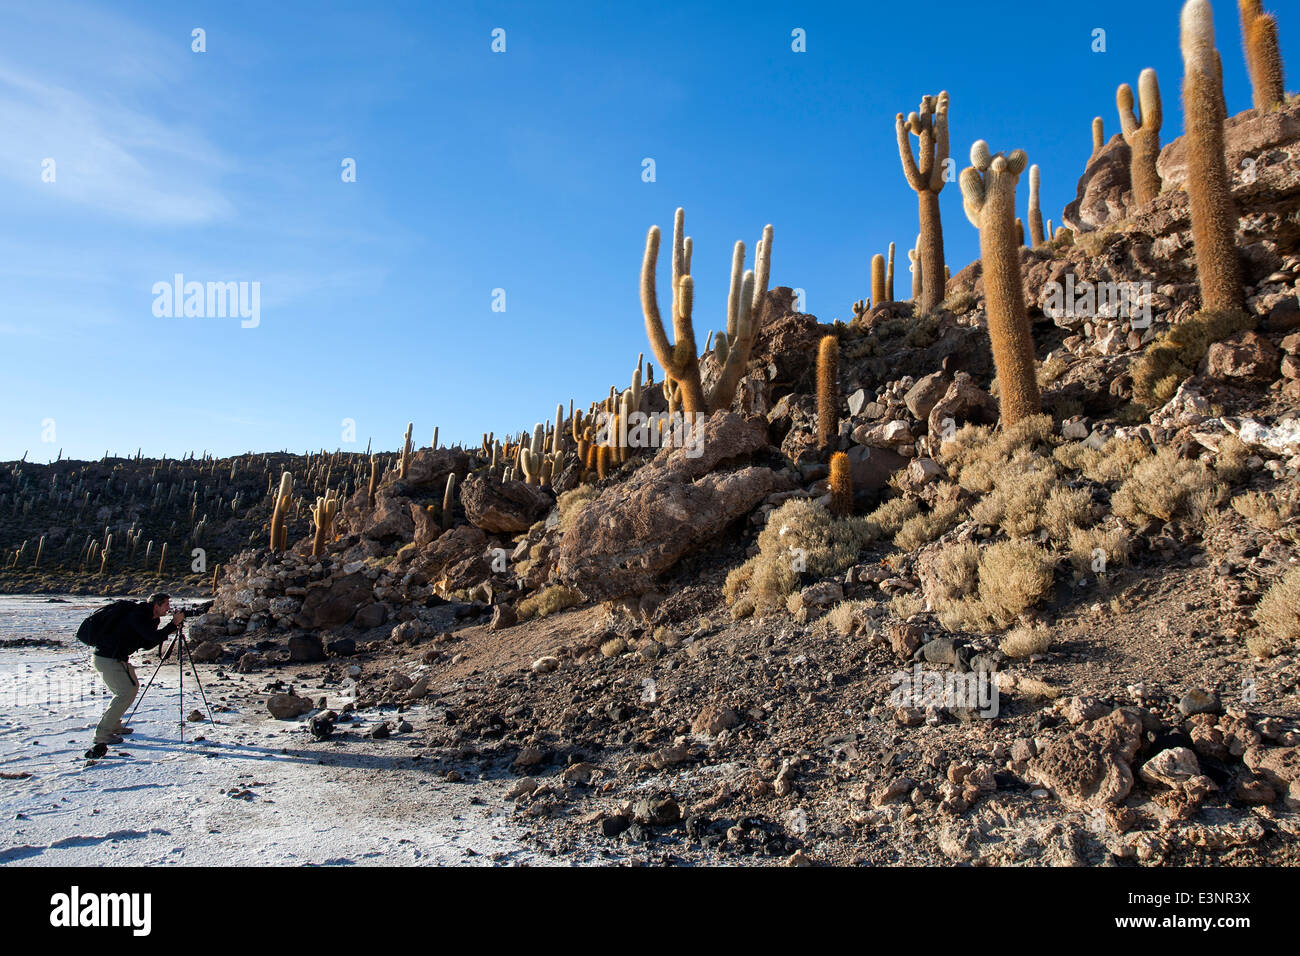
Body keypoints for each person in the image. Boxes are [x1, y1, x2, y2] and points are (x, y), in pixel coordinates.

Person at [87, 593, 185, 753]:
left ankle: (114, 725)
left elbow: (147, 643)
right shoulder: (138, 615)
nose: (169, 608)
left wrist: (171, 628)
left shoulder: (152, 619)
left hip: (116, 658)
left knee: (131, 689)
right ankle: (102, 734)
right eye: (166, 604)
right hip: (107, 658)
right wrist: (172, 625)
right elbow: (151, 636)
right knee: (125, 692)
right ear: (156, 605)